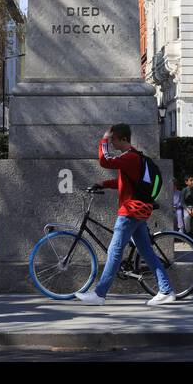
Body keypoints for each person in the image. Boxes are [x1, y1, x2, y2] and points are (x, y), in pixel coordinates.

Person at [74, 124, 174, 306]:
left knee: (114, 253)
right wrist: (102, 183)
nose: (111, 142)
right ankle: (166, 290)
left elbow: (104, 161)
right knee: (147, 252)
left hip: (129, 212)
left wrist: (103, 139)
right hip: (136, 211)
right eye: (110, 140)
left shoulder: (130, 158)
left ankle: (99, 294)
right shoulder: (134, 157)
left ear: (124, 139)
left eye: (114, 139)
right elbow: (123, 182)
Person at [177, 175, 193, 239]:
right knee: (186, 217)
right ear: (186, 182)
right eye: (191, 180)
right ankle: (188, 233)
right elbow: (182, 202)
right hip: (187, 208)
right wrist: (188, 210)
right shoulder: (184, 190)